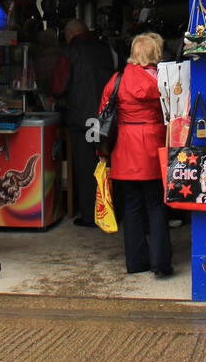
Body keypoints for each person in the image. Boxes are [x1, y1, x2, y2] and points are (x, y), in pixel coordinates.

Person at [98, 32, 173, 277]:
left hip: (125, 149)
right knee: (157, 206)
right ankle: (160, 264)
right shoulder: (165, 79)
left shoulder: (117, 80)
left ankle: (136, 262)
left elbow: (103, 118)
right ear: (155, 54)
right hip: (155, 144)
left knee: (130, 208)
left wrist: (102, 152)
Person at [51, 19, 115, 226]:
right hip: (106, 117)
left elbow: (58, 86)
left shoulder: (70, 52)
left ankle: (90, 215)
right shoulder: (106, 49)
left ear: (70, 35)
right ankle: (113, 210)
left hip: (82, 119)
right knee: (107, 164)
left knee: (87, 167)